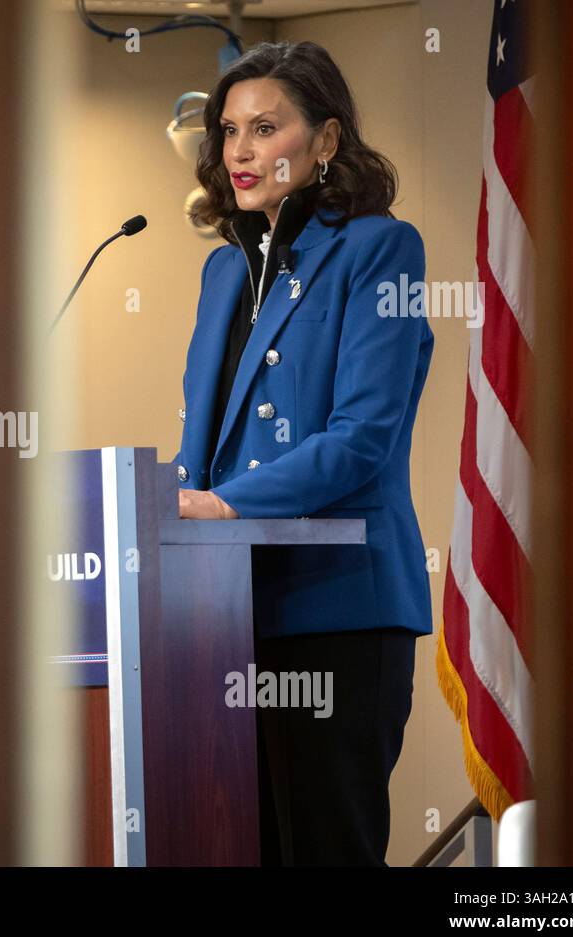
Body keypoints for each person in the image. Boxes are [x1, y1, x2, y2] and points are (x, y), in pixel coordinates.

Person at [171, 41, 434, 866]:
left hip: (339, 609)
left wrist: (224, 505)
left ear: (324, 142)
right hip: (225, 618)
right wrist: (171, 511)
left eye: (264, 128)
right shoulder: (223, 269)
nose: (239, 152)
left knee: (327, 849)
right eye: (228, 131)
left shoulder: (379, 248)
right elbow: (200, 448)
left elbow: (362, 439)